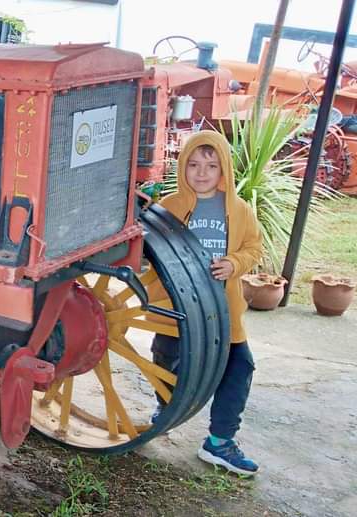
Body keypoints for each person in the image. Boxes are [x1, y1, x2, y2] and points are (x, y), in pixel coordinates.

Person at [151, 130, 263, 476]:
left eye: (211, 166)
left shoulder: (239, 210)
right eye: (194, 164)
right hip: (176, 308)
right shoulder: (169, 207)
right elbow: (150, 249)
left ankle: (220, 441)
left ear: (224, 169)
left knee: (239, 366)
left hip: (222, 311)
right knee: (167, 360)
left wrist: (234, 263)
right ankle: (166, 409)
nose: (202, 173)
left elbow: (253, 248)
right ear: (183, 166)